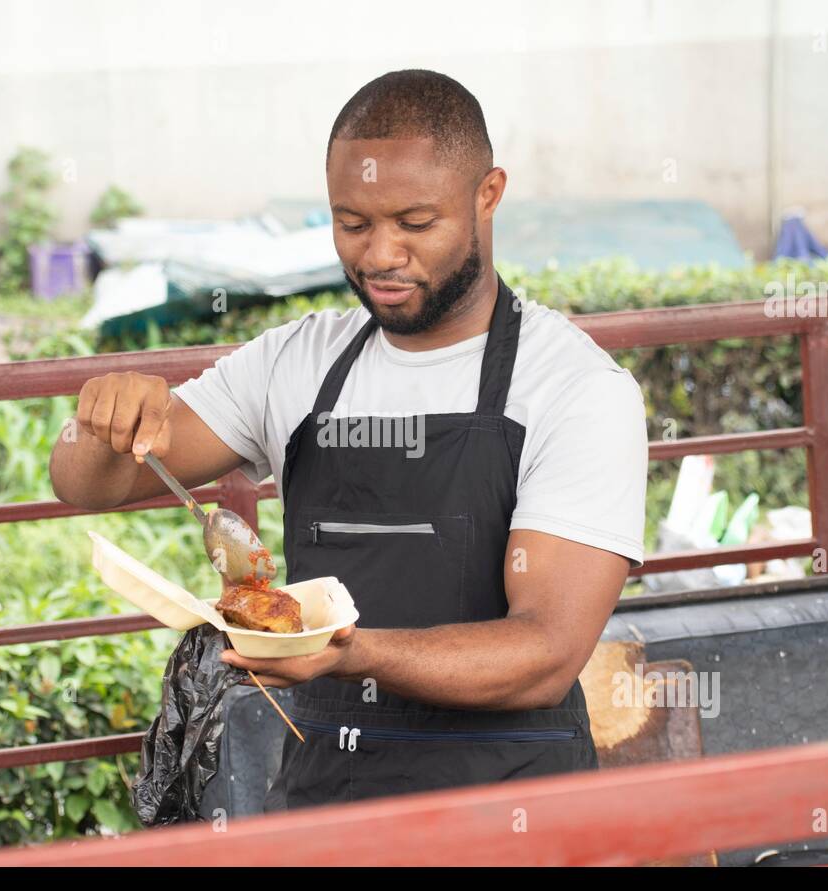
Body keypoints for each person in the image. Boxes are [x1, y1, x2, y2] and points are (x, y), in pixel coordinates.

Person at [50, 69, 648, 811]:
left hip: (515, 815)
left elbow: (546, 655)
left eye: (415, 223)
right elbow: (85, 483)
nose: (380, 256)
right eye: (353, 223)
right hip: (331, 807)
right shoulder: (296, 363)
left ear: (487, 195)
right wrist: (104, 419)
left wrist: (344, 652)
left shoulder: (576, 387)